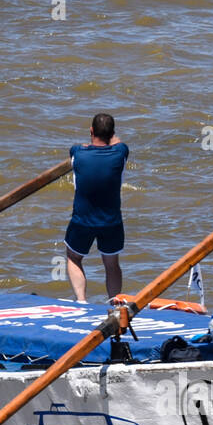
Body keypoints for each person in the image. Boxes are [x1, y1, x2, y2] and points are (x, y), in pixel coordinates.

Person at [64, 113, 128, 302]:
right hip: (111, 220)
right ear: (112, 133)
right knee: (111, 264)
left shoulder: (77, 152)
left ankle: (82, 300)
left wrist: (88, 146)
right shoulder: (121, 152)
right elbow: (118, 142)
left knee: (73, 257)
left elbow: (79, 148)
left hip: (82, 219)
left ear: (91, 131)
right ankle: (115, 304)